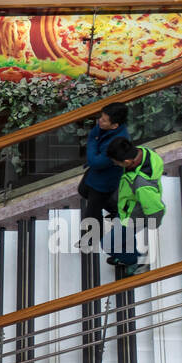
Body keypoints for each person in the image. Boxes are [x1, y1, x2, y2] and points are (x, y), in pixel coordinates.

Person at [107, 138, 167, 277]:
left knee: (108, 245)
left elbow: (156, 210)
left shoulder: (142, 185)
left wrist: (152, 224)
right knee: (124, 238)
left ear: (127, 162)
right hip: (128, 207)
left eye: (115, 162)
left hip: (132, 216)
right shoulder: (145, 152)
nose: (114, 163)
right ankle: (127, 254)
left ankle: (131, 261)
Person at [78, 102, 130, 257]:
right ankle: (115, 209)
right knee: (82, 190)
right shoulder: (104, 129)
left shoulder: (118, 143)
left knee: (92, 212)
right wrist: (93, 141)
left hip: (103, 182)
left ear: (114, 126)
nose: (100, 121)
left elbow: (97, 161)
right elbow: (94, 135)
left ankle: (94, 237)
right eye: (101, 117)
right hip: (96, 176)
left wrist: (93, 141)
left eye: (104, 120)